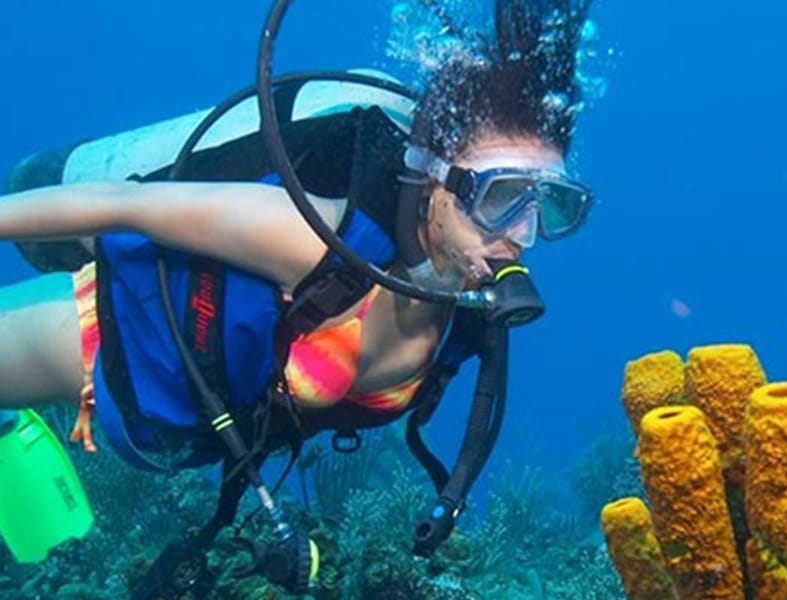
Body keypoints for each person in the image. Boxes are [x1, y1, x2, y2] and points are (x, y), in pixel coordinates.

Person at [0, 0, 595, 594]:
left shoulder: (469, 297)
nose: (523, 235)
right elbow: (118, 206)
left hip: (185, 413)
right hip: (103, 336)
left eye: (553, 206)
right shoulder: (314, 238)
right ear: (435, 180)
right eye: (502, 198)